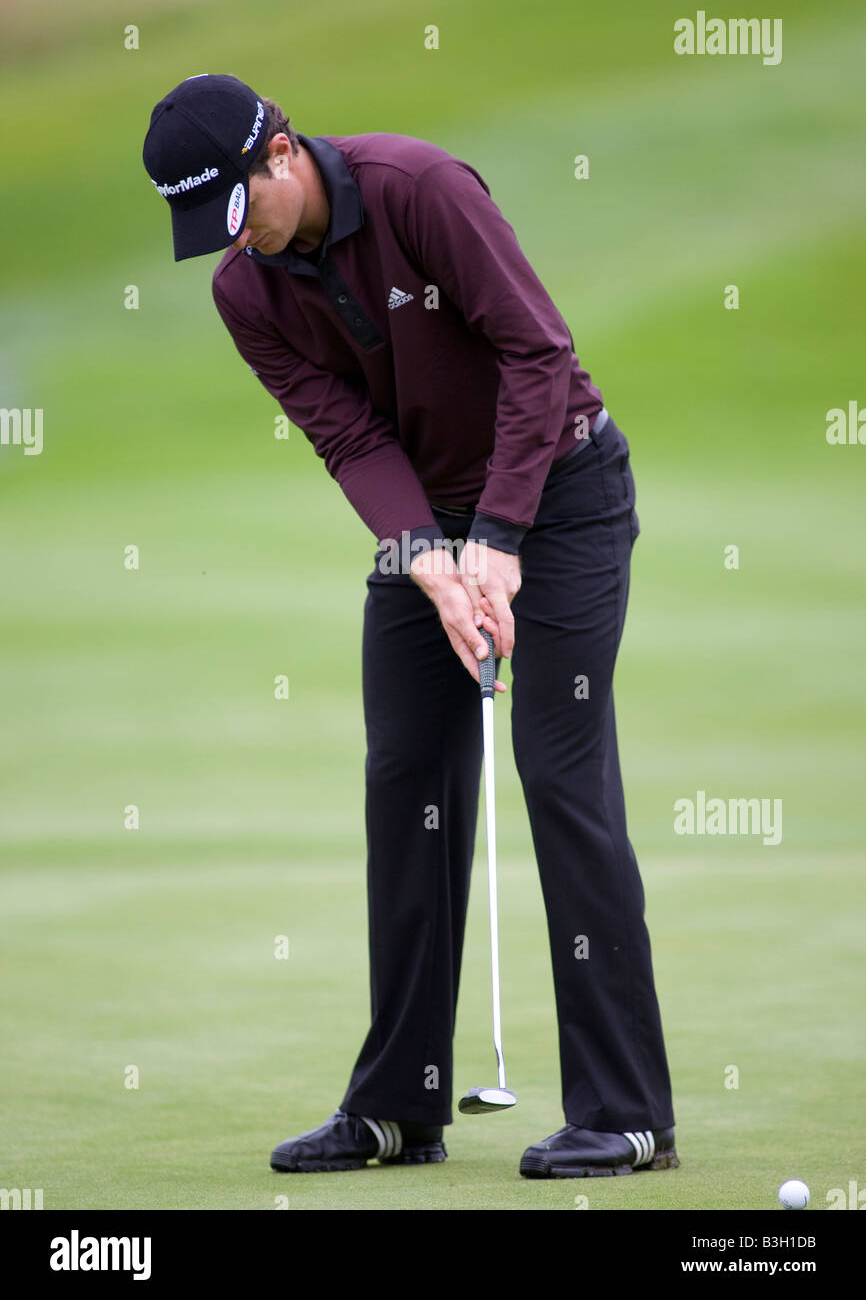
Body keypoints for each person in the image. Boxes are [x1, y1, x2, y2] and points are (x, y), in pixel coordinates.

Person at [142, 73, 679, 1179]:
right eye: (211, 230)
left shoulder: (419, 187)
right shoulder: (245, 293)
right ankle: (399, 1106)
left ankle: (627, 1113)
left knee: (557, 769)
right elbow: (348, 439)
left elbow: (537, 353)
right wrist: (432, 564)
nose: (233, 243)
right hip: (425, 523)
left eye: (238, 211)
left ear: (280, 152)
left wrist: (499, 534)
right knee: (407, 784)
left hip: (563, 491)